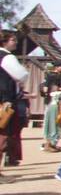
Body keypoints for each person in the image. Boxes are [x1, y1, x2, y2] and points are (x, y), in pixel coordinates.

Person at [0, 30, 28, 167]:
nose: (16, 42)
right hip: (4, 100)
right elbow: (22, 75)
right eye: (13, 40)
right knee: (3, 134)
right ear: (4, 42)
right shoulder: (7, 57)